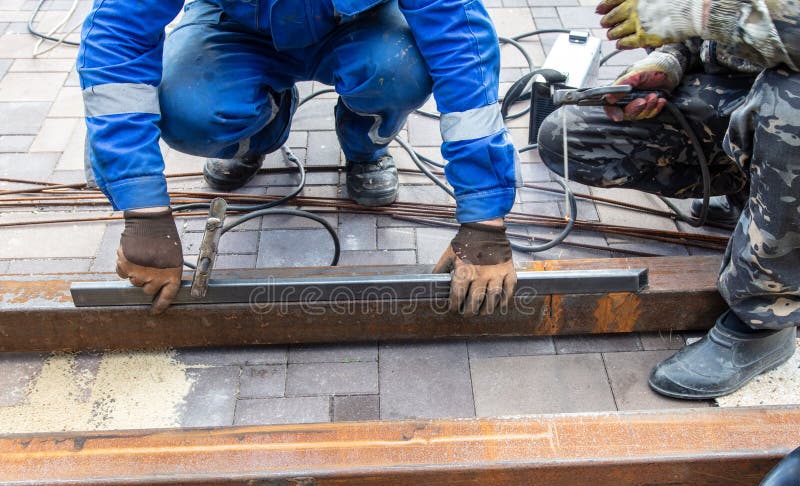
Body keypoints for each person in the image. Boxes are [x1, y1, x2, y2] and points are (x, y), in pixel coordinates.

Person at [77, 0, 520, 316]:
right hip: (235, 25)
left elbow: (460, 44)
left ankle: (364, 148)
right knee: (190, 111)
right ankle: (259, 129)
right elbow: (118, 40)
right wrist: (144, 209)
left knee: (400, 71)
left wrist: (484, 218)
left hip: (360, 24)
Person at [537, 0, 800, 399]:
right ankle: (754, 198)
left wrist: (698, 14)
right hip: (749, 94)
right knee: (568, 136)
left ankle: (765, 318)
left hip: (786, 102)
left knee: (790, 103)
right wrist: (670, 60)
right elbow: (710, 39)